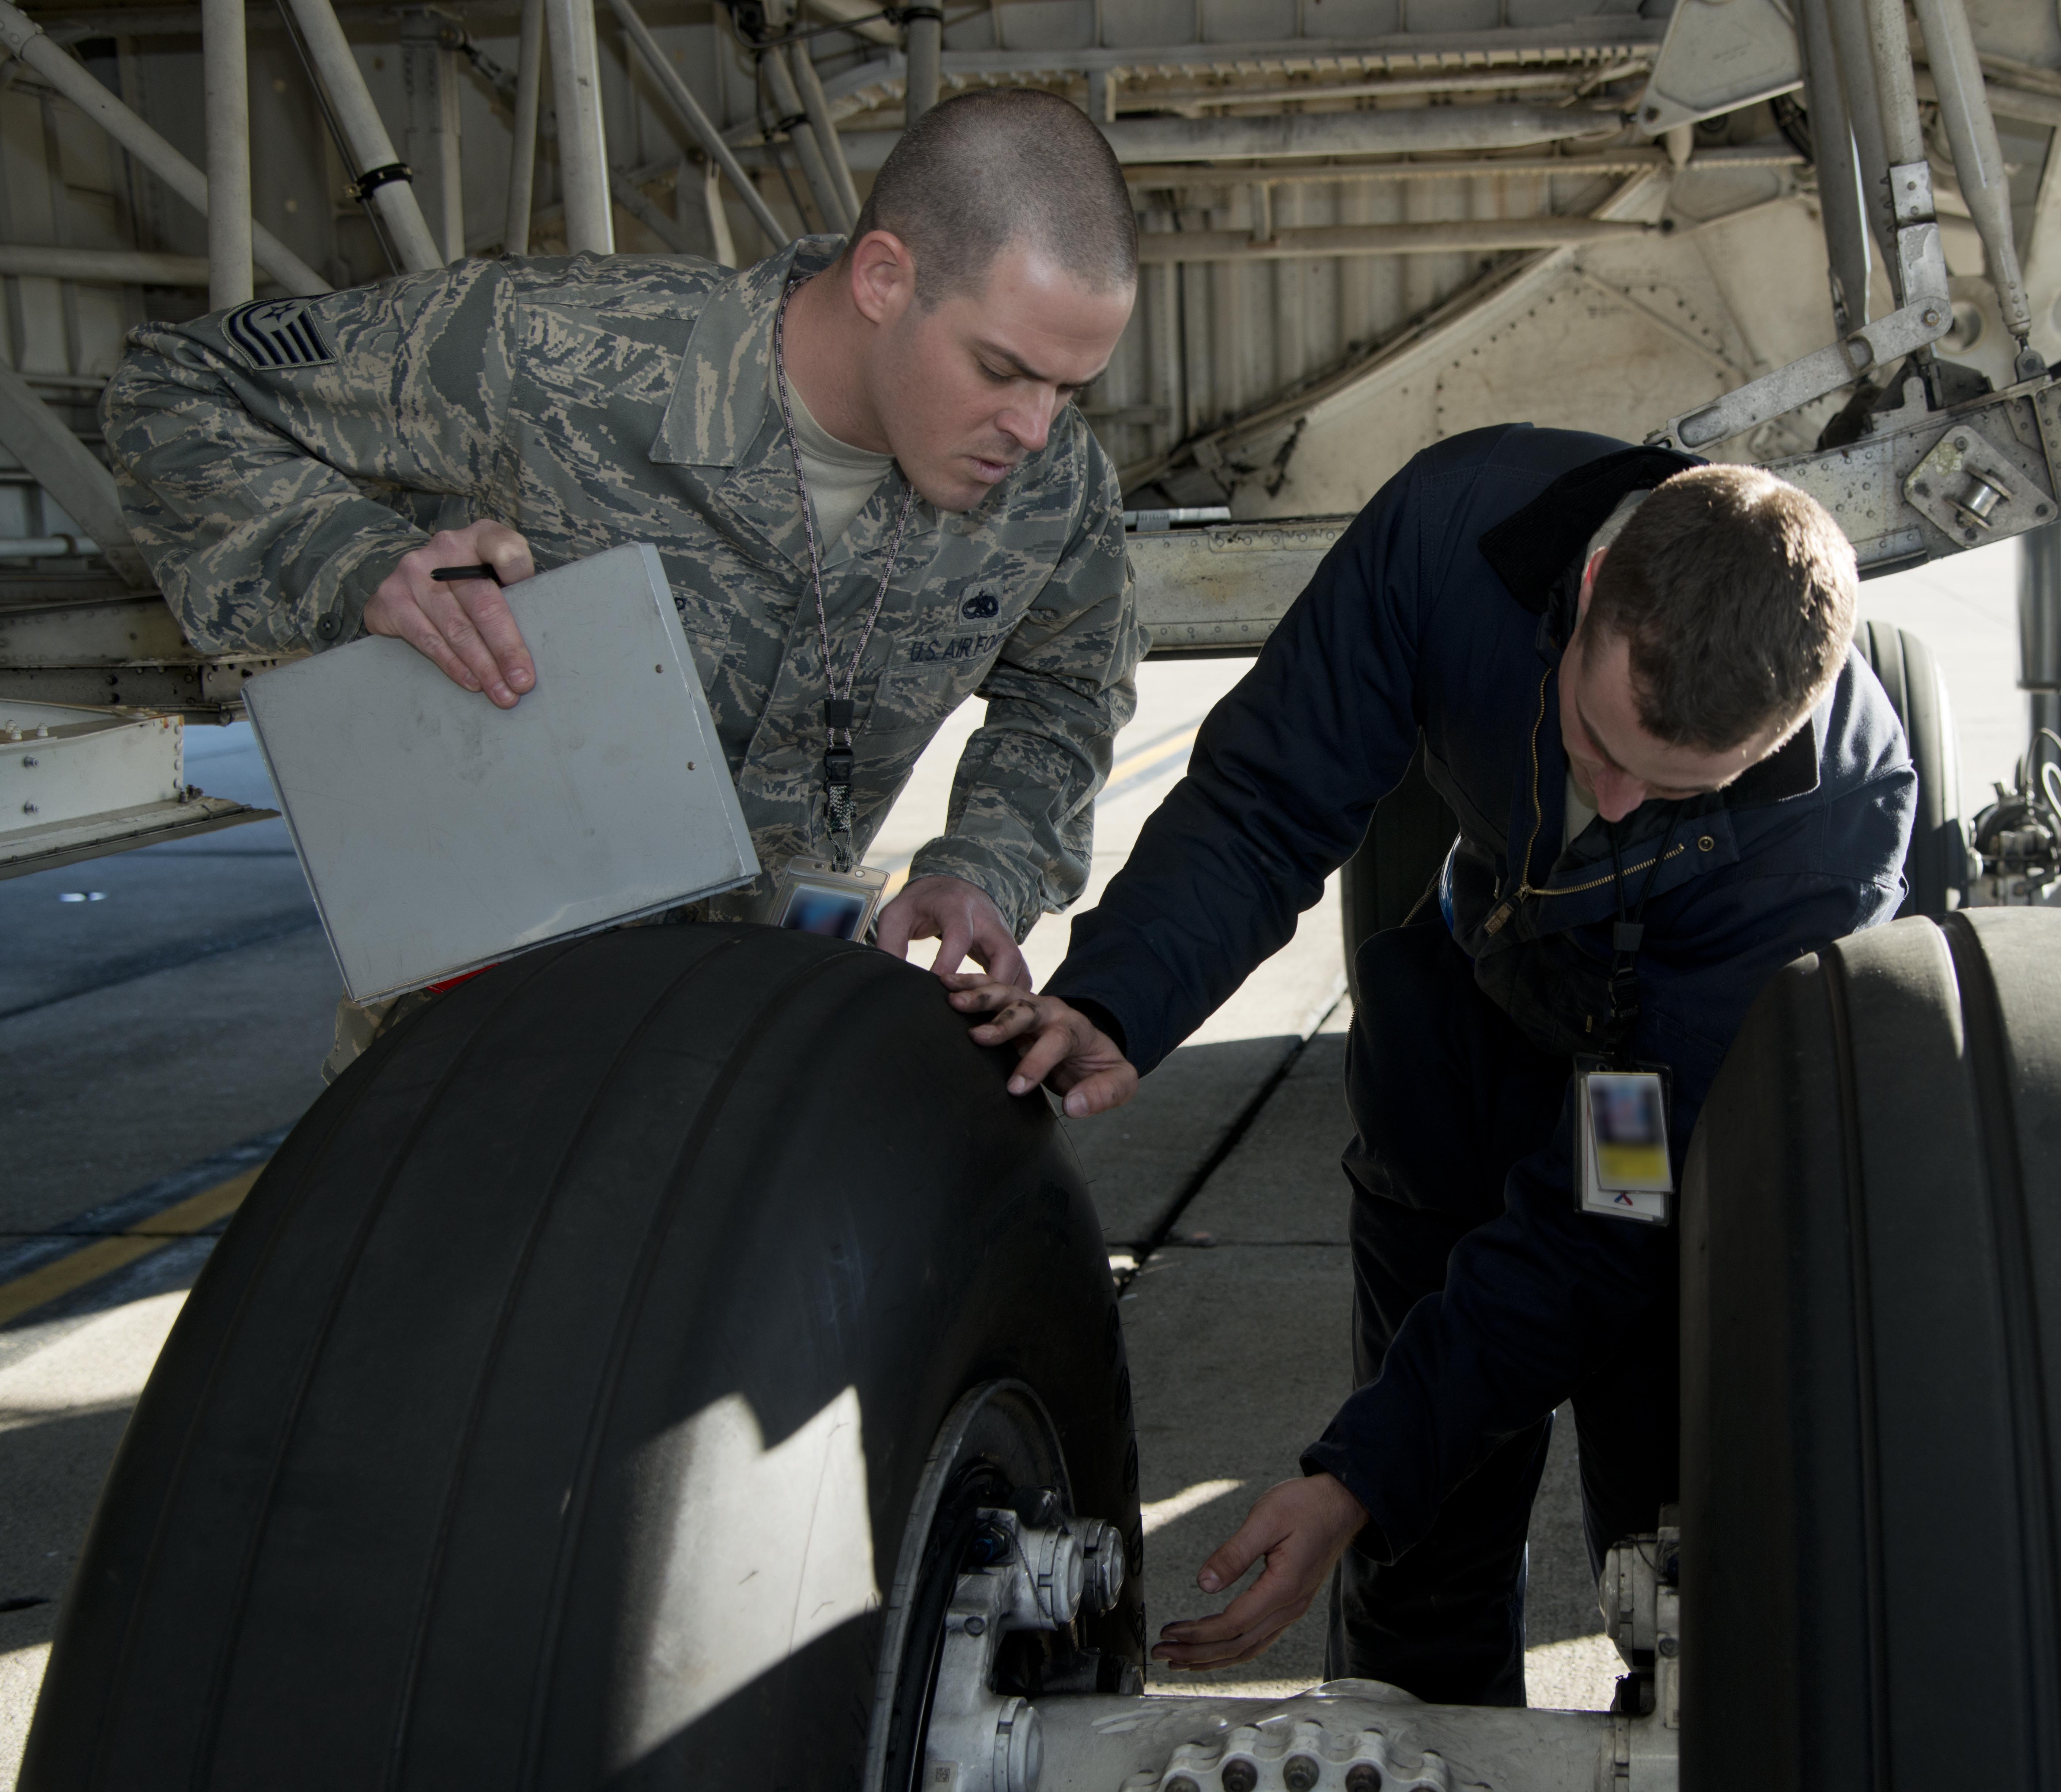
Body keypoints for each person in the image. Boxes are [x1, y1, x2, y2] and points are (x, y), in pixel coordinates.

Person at [945, 428, 1915, 1704]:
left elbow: (1606, 1220)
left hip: (1651, 1107)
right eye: (1597, 740)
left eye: (1676, 789)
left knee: (1678, 1544)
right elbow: (1270, 800)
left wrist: (1357, 1473)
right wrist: (1117, 998)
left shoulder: (1831, 816)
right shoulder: (1456, 533)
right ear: (1586, 589)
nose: (1616, 804)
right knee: (1417, 1560)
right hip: (1468, 1023)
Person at [101, 87, 1141, 1065]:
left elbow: (1064, 689)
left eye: (1069, 386)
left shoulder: (1057, 488)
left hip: (751, 1065)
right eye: (1002, 370)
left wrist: (981, 872)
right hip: (473, 1070)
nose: (1034, 427)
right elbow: (172, 387)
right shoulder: (549, 354)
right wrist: (357, 563)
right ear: (883, 279)